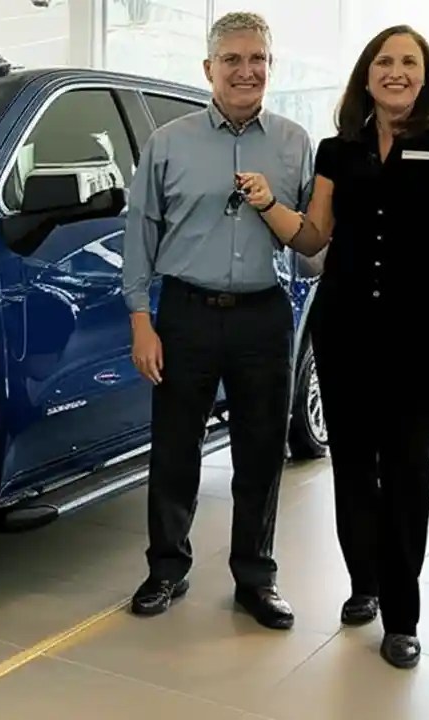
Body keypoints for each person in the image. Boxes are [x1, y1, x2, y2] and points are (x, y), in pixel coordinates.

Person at [236, 25, 429, 668]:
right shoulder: (337, 149)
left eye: (410, 62)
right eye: (385, 61)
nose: (396, 71)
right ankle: (364, 585)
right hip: (344, 328)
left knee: (408, 469)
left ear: (425, 75)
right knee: (351, 466)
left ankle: (402, 615)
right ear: (366, 74)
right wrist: (269, 204)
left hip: (422, 334)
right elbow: (315, 235)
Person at [122, 11, 313, 630]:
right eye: (232, 59)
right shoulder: (169, 143)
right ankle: (166, 569)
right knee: (175, 450)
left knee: (261, 453)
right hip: (185, 314)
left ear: (269, 67)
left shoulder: (293, 143)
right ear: (208, 69)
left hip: (263, 315)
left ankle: (256, 578)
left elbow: (309, 240)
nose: (246, 70)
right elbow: (139, 234)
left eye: (257, 58)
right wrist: (140, 320)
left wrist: (274, 206)